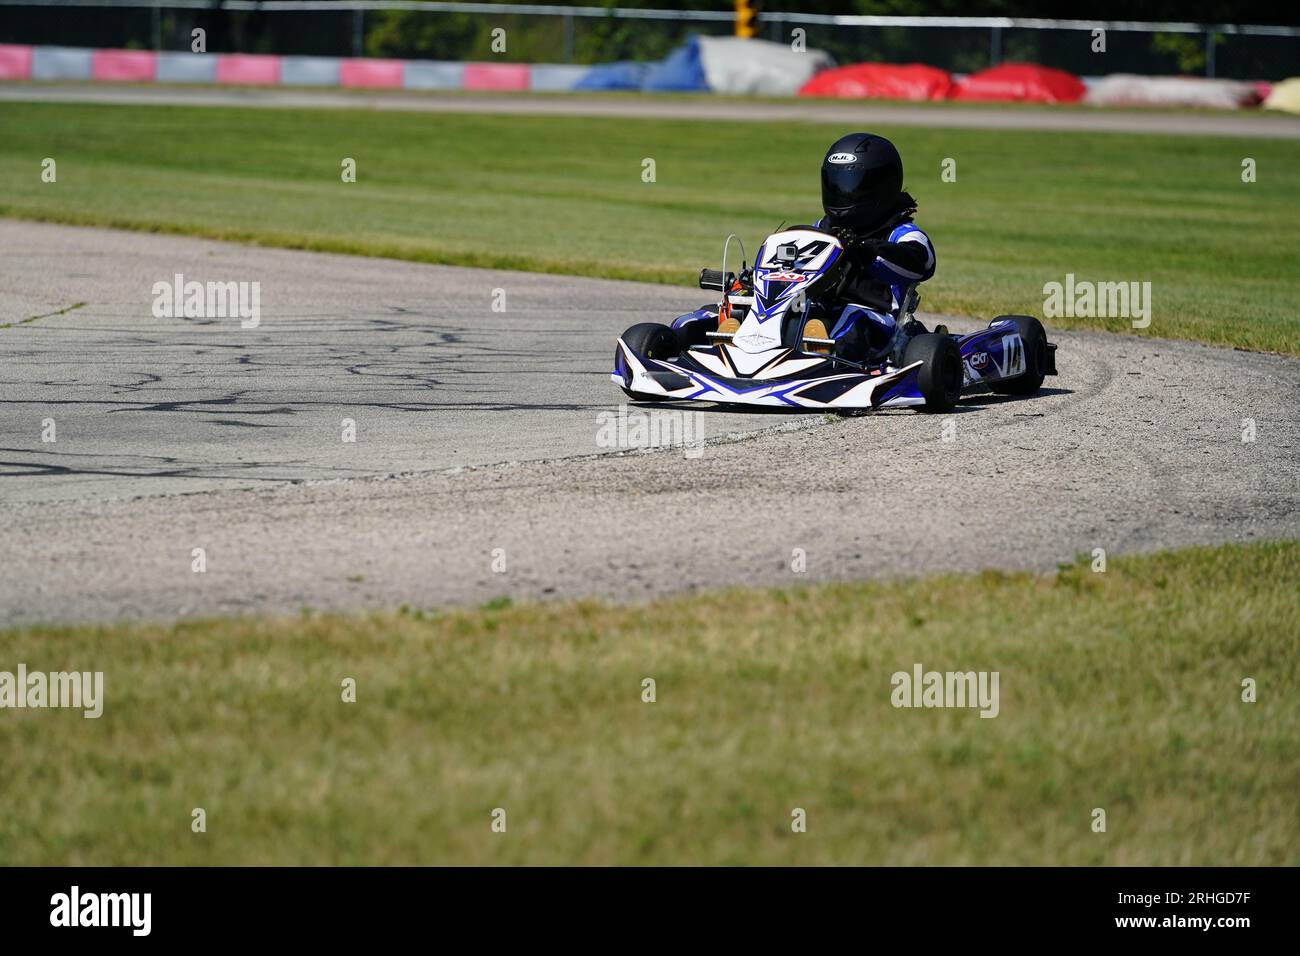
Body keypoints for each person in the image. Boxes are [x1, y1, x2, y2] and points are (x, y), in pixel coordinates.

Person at [806, 132, 937, 361]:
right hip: (822, 307)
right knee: (793, 315)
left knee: (851, 325)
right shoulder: (822, 228)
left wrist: (866, 252)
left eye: (850, 185)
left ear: (879, 186)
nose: (842, 192)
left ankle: (822, 355)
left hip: (875, 318)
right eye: (836, 183)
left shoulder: (900, 233)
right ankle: (739, 342)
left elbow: (921, 262)